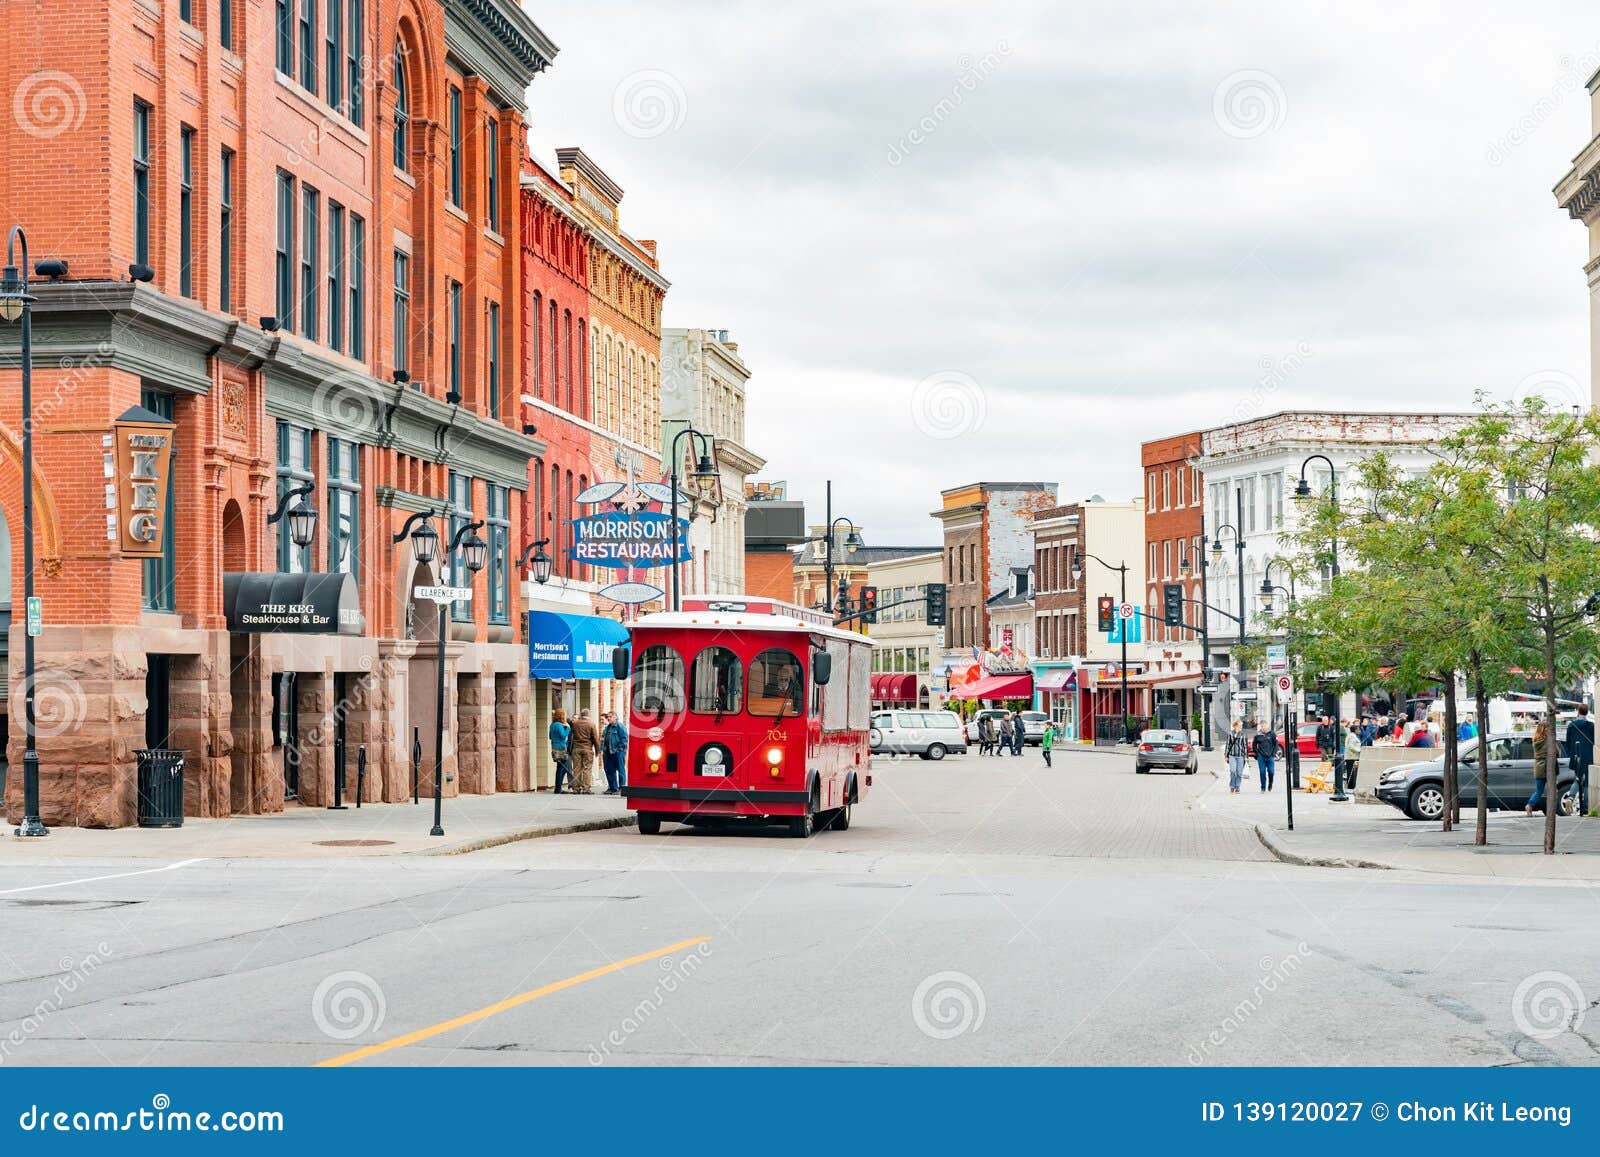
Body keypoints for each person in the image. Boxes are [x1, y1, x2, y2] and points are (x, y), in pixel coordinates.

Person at [1569, 705, 1595, 816]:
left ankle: (1570, 798)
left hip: (1576, 756)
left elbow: (1568, 743)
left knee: (1578, 778)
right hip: (1588, 756)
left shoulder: (1571, 726)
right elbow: (1594, 741)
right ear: (1587, 712)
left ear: (1578, 712)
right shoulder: (1591, 726)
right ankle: (1585, 808)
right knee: (1586, 783)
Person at [569, 709, 601, 795]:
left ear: (581, 715)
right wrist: (598, 750)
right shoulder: (591, 724)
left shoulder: (574, 723)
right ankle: (586, 788)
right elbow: (595, 738)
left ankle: (575, 788)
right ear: (588, 715)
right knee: (587, 768)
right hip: (587, 749)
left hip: (576, 749)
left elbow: (571, 736)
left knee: (576, 768)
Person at [1528, 717, 1553, 816]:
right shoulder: (1549, 741)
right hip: (1548, 767)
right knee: (1553, 789)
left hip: (1538, 767)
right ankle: (1551, 809)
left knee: (1539, 791)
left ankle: (1529, 805)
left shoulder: (1535, 740)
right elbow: (1557, 752)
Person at [602, 711, 629, 795]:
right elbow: (604, 738)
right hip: (608, 752)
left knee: (621, 770)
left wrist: (619, 750)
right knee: (609, 770)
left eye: (610, 717)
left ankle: (621, 788)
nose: (608, 718)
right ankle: (613, 788)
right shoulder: (607, 727)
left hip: (618, 752)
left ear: (615, 718)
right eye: (608, 717)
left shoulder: (620, 726)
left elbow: (624, 739)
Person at [549, 708, 573, 794]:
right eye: (564, 714)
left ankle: (558, 787)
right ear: (561, 716)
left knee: (560, 768)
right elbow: (563, 735)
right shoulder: (559, 725)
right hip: (561, 748)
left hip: (554, 747)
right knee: (562, 768)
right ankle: (558, 788)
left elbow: (550, 736)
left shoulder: (552, 725)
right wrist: (568, 728)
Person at [1252, 721, 1279, 792]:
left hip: (1270, 756)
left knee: (1271, 772)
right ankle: (1263, 787)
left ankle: (1270, 783)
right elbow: (1254, 745)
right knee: (1262, 772)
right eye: (1262, 726)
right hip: (1261, 756)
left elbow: (1276, 744)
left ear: (1267, 726)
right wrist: (1257, 754)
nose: (1263, 728)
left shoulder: (1272, 734)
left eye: (1264, 726)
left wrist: (1274, 753)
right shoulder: (1258, 735)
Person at [1225, 720, 1250, 793]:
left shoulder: (1243, 734)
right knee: (1233, 771)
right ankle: (1232, 786)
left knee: (1239, 773)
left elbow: (1245, 746)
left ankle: (1237, 786)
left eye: (1241, 725)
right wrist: (1226, 755)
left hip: (1240, 756)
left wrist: (1246, 756)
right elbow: (1227, 745)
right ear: (1236, 726)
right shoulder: (1230, 734)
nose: (1241, 727)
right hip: (1232, 755)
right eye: (1240, 725)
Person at [1342, 720, 1362, 791]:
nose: (1359, 731)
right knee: (1351, 772)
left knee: (1350, 771)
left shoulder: (1351, 735)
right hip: (1352, 757)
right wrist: (1359, 750)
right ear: (1355, 730)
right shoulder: (1352, 736)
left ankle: (1350, 785)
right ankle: (1351, 785)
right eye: (1358, 729)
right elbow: (1351, 746)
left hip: (1350, 757)